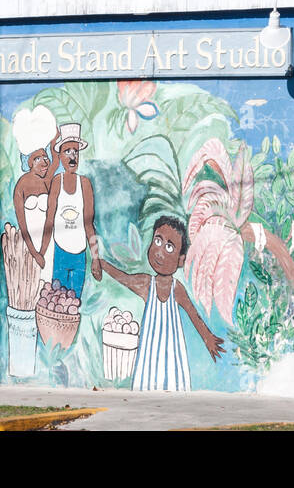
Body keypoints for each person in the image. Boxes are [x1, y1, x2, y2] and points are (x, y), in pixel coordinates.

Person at [97, 216, 223, 391]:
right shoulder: (146, 283)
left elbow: (193, 315)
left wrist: (208, 338)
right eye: (157, 240)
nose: (159, 251)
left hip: (172, 350)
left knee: (174, 381)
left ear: (180, 260)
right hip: (150, 349)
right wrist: (102, 264)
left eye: (169, 247)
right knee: (146, 381)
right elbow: (124, 278)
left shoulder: (176, 289)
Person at [41, 123, 100, 298]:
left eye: (76, 151)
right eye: (67, 151)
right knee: (57, 301)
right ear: (60, 155)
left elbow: (89, 224)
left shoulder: (85, 184)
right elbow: (49, 221)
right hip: (60, 252)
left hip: (80, 255)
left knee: (74, 304)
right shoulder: (56, 183)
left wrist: (95, 258)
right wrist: (41, 253)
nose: (73, 156)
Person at [12, 130, 61, 275]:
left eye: (46, 157)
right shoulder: (21, 185)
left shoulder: (47, 181)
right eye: (39, 158)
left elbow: (49, 220)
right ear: (30, 162)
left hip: (47, 242)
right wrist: (35, 253)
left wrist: (53, 143)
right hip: (29, 242)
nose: (45, 162)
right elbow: (22, 224)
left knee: (48, 277)